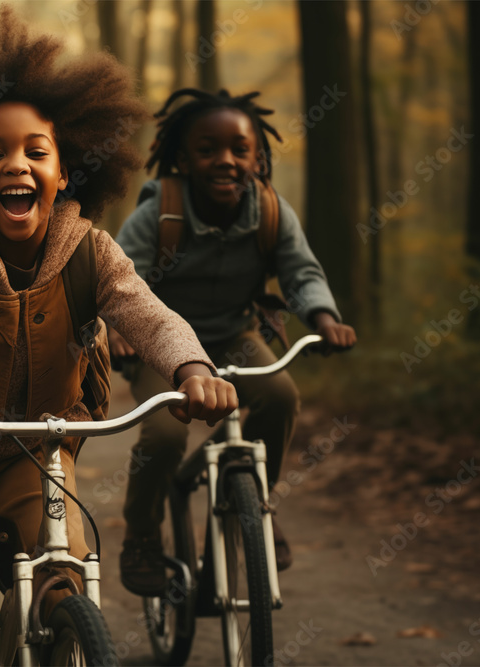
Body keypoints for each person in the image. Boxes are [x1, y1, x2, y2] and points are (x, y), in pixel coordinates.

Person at [0, 8, 237, 665]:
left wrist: (192, 368)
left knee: (62, 573)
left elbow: (149, 314)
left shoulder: (90, 250)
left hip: (39, 446)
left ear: (65, 172)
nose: (17, 165)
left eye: (37, 151)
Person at [111, 88, 357, 596]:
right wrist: (115, 328)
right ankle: (141, 535)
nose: (225, 160)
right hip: (162, 346)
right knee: (163, 435)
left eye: (239, 149)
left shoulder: (269, 211)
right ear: (182, 157)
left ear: (257, 156)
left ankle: (257, 506)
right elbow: (117, 278)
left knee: (281, 395)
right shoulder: (161, 213)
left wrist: (324, 315)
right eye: (208, 149)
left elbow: (301, 272)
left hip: (234, 337)